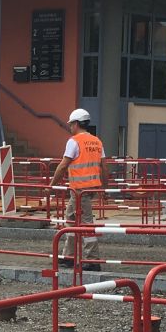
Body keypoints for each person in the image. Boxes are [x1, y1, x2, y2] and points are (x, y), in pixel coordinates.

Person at [50, 108, 109, 271]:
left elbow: (63, 165)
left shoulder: (74, 141)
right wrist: (105, 188)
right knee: (70, 219)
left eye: (70, 124)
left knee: (85, 224)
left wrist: (51, 185)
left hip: (79, 190)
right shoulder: (97, 142)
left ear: (76, 124)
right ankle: (69, 257)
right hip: (89, 189)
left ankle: (92, 260)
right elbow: (104, 167)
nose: (70, 127)